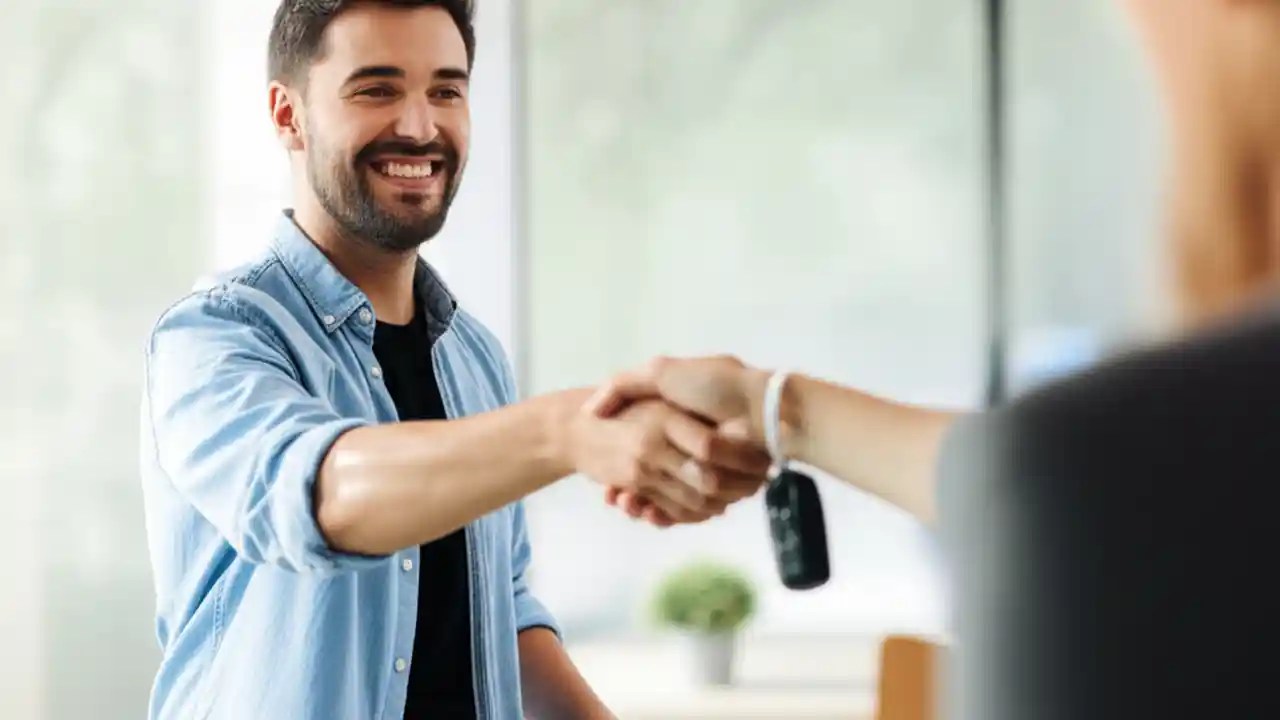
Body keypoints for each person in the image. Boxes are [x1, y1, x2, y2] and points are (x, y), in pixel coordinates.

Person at [592, 1, 1280, 718]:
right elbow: (1014, 469)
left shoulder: (1113, 484)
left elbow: (1093, 480)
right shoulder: (1118, 468)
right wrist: (775, 407)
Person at [138, 2, 770, 718]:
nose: (419, 126)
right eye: (376, 89)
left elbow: (503, 606)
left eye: (446, 89)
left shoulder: (474, 358)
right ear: (289, 116)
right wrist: (567, 432)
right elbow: (317, 496)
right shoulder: (213, 336)